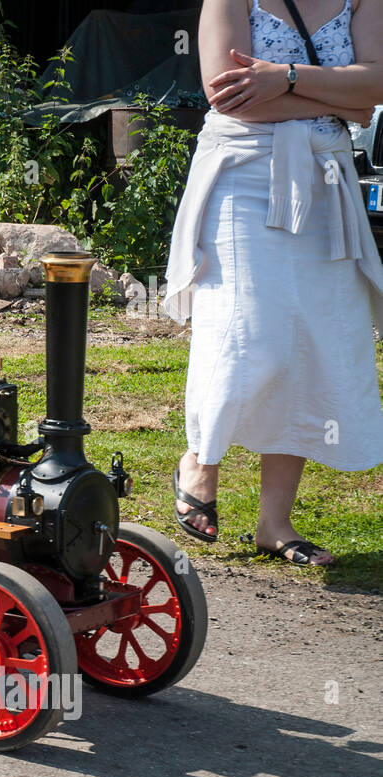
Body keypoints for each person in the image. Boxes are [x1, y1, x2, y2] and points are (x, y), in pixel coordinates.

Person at [164, 0, 383, 565]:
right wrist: (342, 100)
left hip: (324, 177)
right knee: (241, 328)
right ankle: (200, 463)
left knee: (309, 343)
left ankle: (275, 523)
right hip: (244, 174)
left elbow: (378, 83)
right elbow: (230, 98)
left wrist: (281, 78)